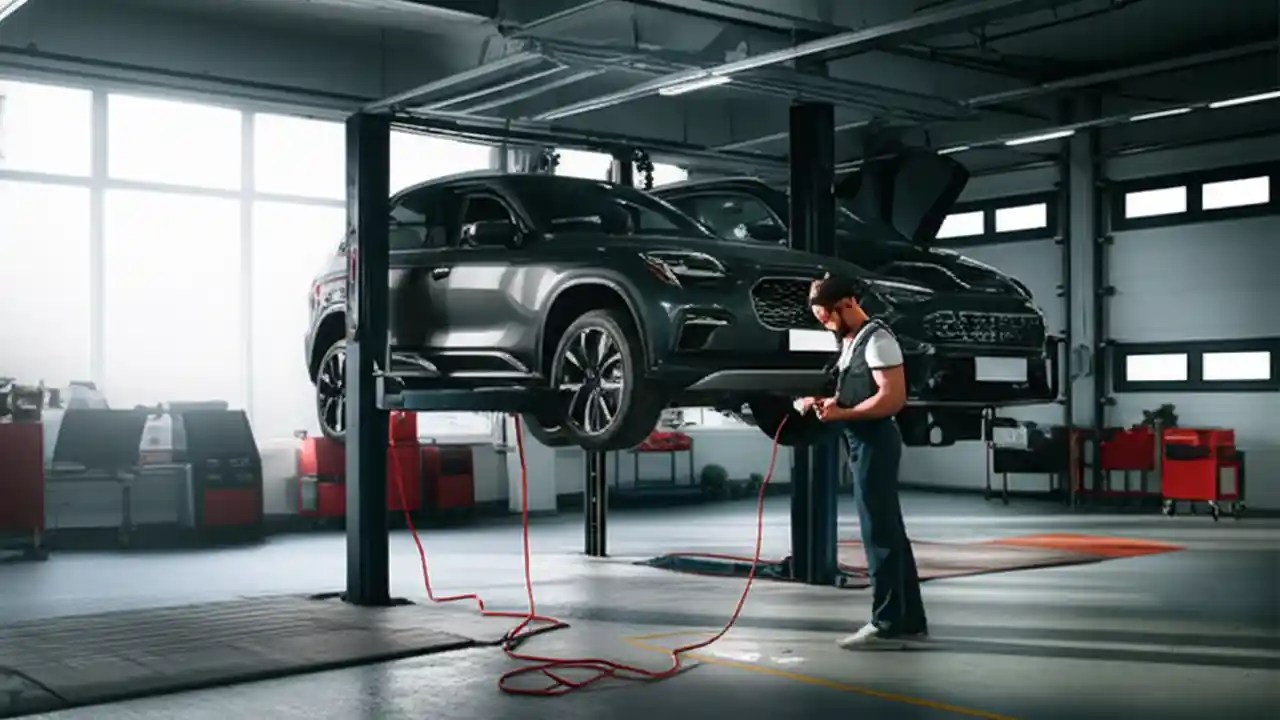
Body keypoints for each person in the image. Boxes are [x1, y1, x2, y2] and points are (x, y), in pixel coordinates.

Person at [798, 274, 928, 650]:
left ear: (847, 304)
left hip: (876, 441)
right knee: (890, 531)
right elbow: (852, 392)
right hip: (860, 439)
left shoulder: (879, 340)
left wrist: (842, 414)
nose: (823, 322)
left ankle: (885, 623)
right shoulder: (850, 340)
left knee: (879, 533)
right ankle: (909, 619)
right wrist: (820, 403)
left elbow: (892, 400)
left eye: (825, 315)